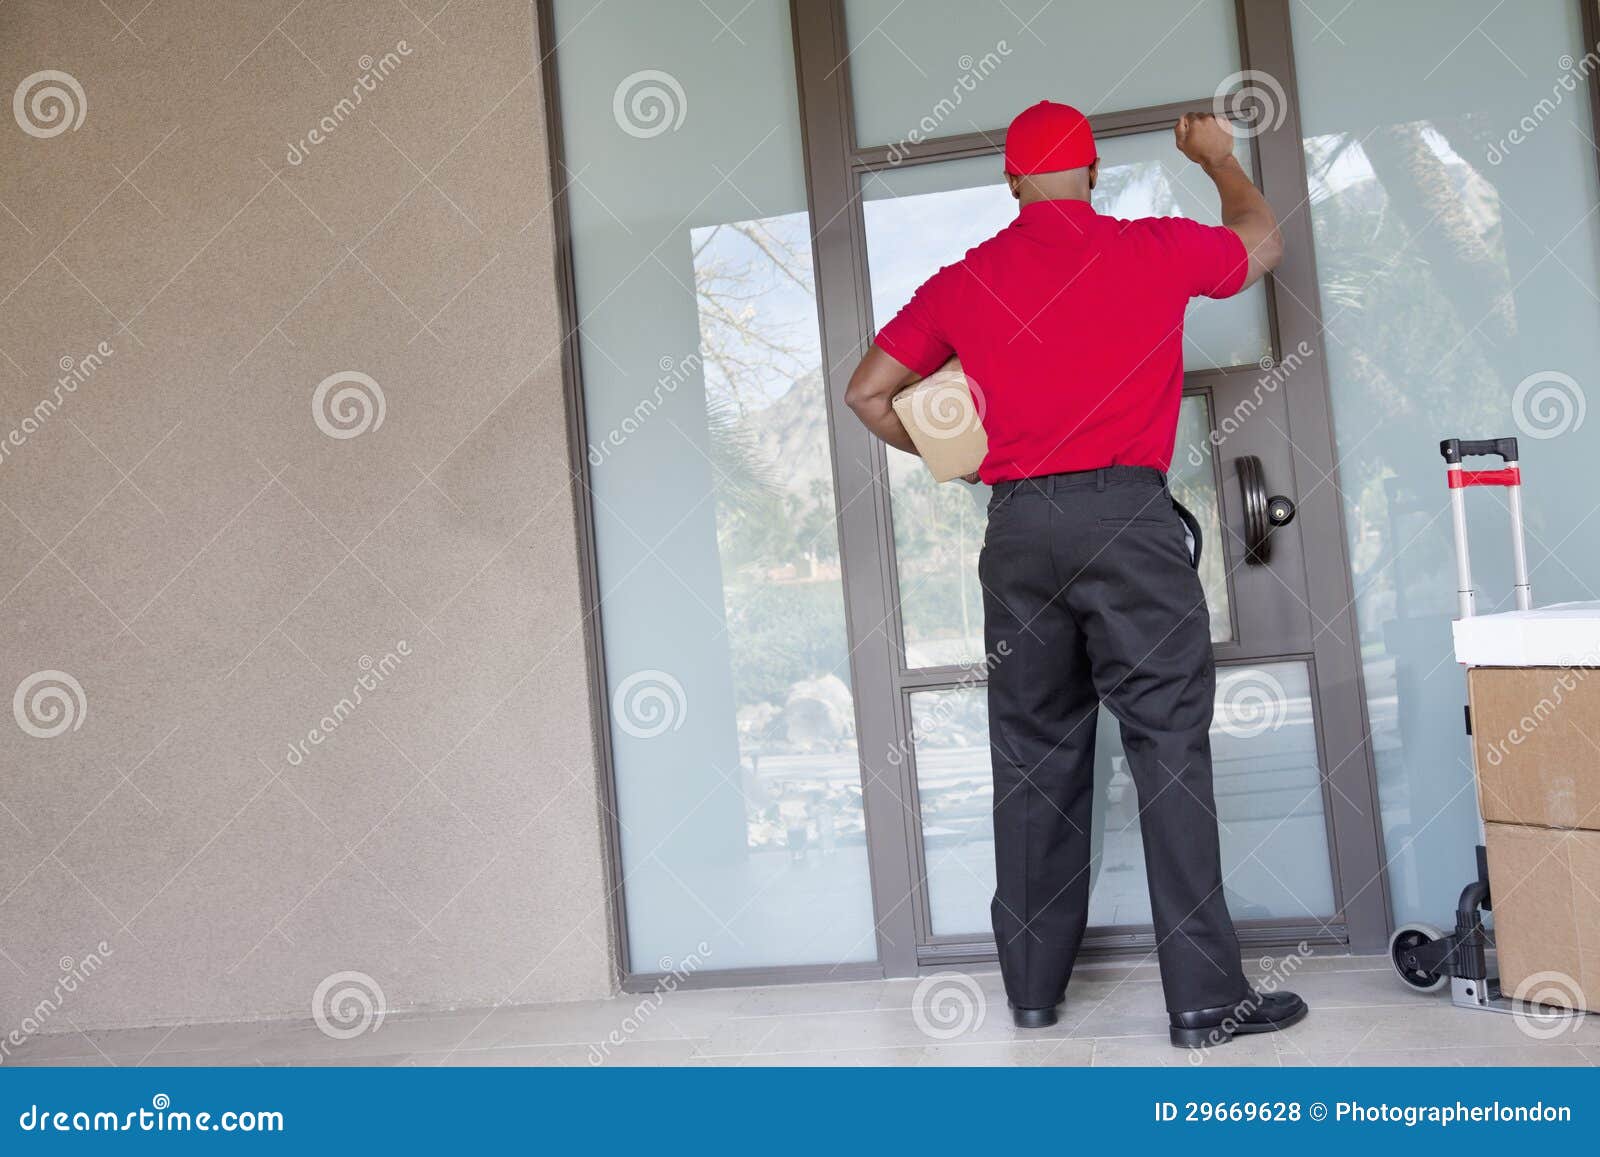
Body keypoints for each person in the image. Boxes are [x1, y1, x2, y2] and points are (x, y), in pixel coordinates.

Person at [844, 101, 1307, 1048]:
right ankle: (1205, 999)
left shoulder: (963, 280)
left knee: (1033, 753)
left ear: (1011, 182)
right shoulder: (1154, 248)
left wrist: (963, 459)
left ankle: (1032, 991)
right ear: (1091, 173)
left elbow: (867, 392)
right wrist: (1220, 160)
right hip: (1126, 523)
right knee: (1166, 746)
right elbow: (1260, 245)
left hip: (1018, 531)